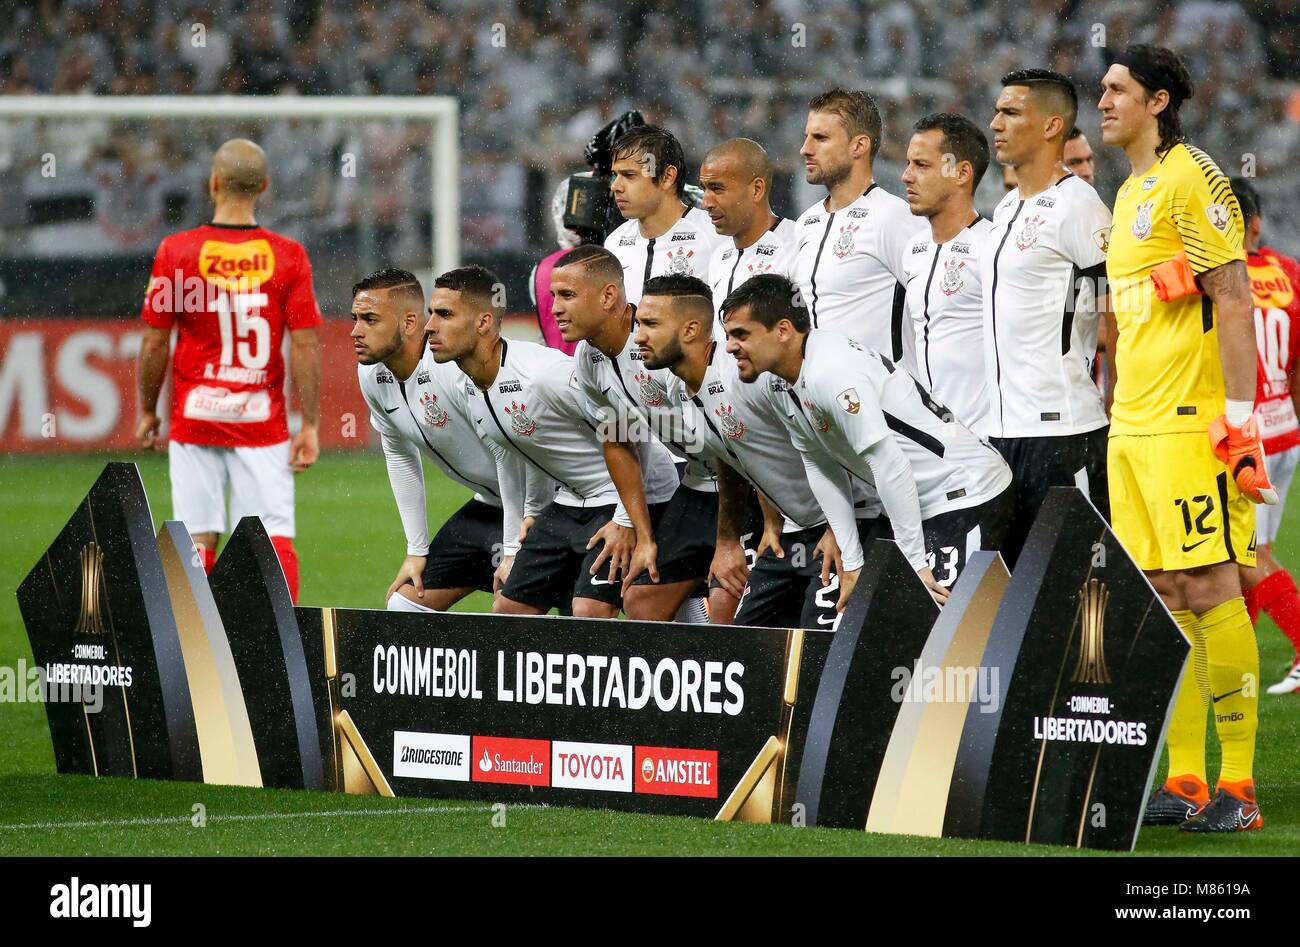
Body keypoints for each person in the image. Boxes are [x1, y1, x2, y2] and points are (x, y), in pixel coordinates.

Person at [1101, 45, 1273, 831]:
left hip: (1186, 424)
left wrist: (1239, 418)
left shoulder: (1191, 175)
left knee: (1210, 587)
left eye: (1118, 90)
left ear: (1158, 101)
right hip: (1133, 427)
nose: (1104, 102)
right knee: (1166, 597)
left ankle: (1239, 787)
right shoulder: (1128, 190)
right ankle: (1187, 778)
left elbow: (1232, 296)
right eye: (1102, 90)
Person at [726, 274, 1014, 606]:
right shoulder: (779, 381)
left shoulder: (830, 372)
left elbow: (890, 465)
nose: (731, 346)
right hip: (911, 505)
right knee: (882, 622)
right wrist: (852, 563)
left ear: (783, 330)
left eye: (742, 335)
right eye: (729, 335)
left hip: (964, 494)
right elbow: (819, 464)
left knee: (948, 627)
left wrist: (913, 564)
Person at [431, 265, 677, 618]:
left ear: (483, 322)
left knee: (589, 609)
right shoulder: (469, 386)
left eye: (444, 314)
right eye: (431, 314)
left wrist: (627, 519)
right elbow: (517, 457)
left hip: (627, 496)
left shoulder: (543, 375)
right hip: (569, 502)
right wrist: (518, 539)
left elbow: (631, 431)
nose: (430, 326)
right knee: (508, 608)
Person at [634, 274, 875, 630]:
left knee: (821, 650)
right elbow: (734, 454)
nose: (638, 336)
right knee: (744, 645)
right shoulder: (680, 389)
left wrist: (840, 528)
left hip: (848, 525)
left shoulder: (747, 376)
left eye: (650, 325)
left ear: (690, 330)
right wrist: (759, 523)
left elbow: (831, 440)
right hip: (791, 533)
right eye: (639, 324)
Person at [137, 138, 320, 603]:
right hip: (261, 423)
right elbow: (305, 345)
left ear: (213, 182)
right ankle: (278, 643)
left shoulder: (177, 251)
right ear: (264, 187)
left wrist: (148, 411)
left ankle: (195, 644)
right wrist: (311, 424)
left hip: (196, 417)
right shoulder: (288, 255)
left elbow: (155, 341)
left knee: (195, 543)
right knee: (272, 540)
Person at [983, 69, 1114, 567]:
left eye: (1011, 112)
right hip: (1001, 434)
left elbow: (1117, 314)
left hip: (1062, 433)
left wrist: (1118, 410)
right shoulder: (1004, 209)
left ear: (1051, 126)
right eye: (997, 111)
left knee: (1077, 588)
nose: (996, 123)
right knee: (1012, 586)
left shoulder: (1079, 206)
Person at [550, 247, 718, 621]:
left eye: (567, 295)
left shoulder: (665, 350)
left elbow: (733, 438)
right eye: (553, 296)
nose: (556, 309)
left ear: (608, 296)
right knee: (642, 600)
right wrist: (637, 531)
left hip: (746, 479)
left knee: (728, 599)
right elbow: (618, 439)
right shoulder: (587, 358)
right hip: (698, 482)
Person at [352, 267, 524, 613]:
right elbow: (398, 453)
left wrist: (512, 548)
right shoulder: (371, 374)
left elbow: (509, 456)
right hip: (488, 505)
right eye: (355, 318)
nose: (355, 330)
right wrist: (416, 550)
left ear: (409, 322)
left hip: (539, 507)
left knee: (511, 607)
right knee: (404, 606)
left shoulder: (452, 368)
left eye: (370, 319)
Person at [794, 88, 926, 372]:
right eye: (807, 137)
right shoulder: (806, 223)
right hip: (819, 395)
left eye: (820, 138)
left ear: (859, 146)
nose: (805, 148)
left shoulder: (893, 217)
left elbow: (937, 309)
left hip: (883, 395)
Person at [1228, 177, 1300, 694]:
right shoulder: (1289, 272)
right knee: (1254, 548)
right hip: (1285, 429)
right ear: (1256, 224)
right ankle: (1243, 660)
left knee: (1244, 553)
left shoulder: (1219, 278)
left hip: (1246, 435)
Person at [900, 113, 995, 434]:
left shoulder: (992, 248)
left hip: (986, 438)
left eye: (921, 165)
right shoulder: (913, 250)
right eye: (908, 164)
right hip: (934, 440)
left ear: (961, 173)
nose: (906, 176)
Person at [603, 125, 724, 304]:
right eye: (615, 175)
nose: (615, 186)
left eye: (629, 175)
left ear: (667, 177)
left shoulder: (714, 236)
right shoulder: (614, 243)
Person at [700, 138, 797, 333]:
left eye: (717, 188)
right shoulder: (719, 254)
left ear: (756, 189)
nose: (706, 203)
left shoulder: (796, 245)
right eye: (704, 189)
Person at [529, 176, 585, 356]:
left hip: (560, 369)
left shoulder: (541, 269)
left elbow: (543, 336)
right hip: (609, 371)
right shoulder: (615, 259)